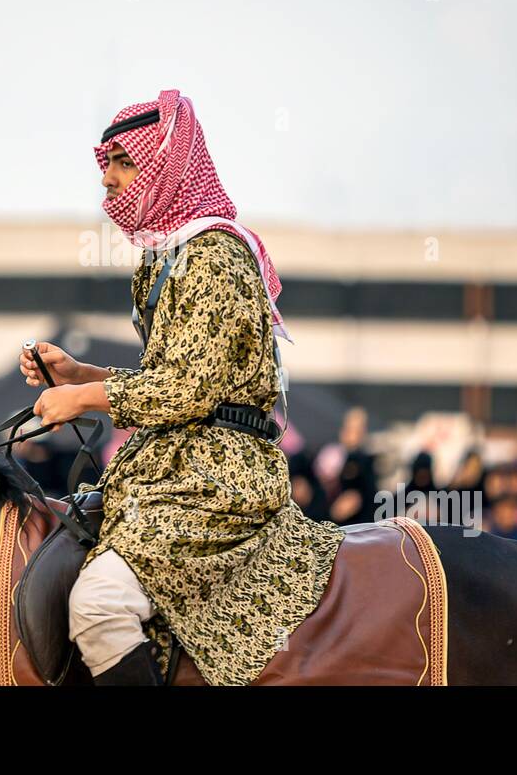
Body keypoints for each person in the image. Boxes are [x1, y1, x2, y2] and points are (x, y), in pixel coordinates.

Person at [19, 89, 344, 686]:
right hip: (172, 467)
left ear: (166, 166)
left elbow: (191, 389)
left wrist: (82, 400)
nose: (109, 182)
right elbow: (168, 379)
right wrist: (81, 375)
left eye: (124, 163)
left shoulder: (214, 256)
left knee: (98, 605)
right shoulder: (163, 259)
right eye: (107, 165)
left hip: (219, 478)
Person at [317, 408, 377, 526]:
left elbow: (367, 492)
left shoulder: (366, 460)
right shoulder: (330, 454)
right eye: (350, 430)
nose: (353, 436)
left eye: (358, 431)